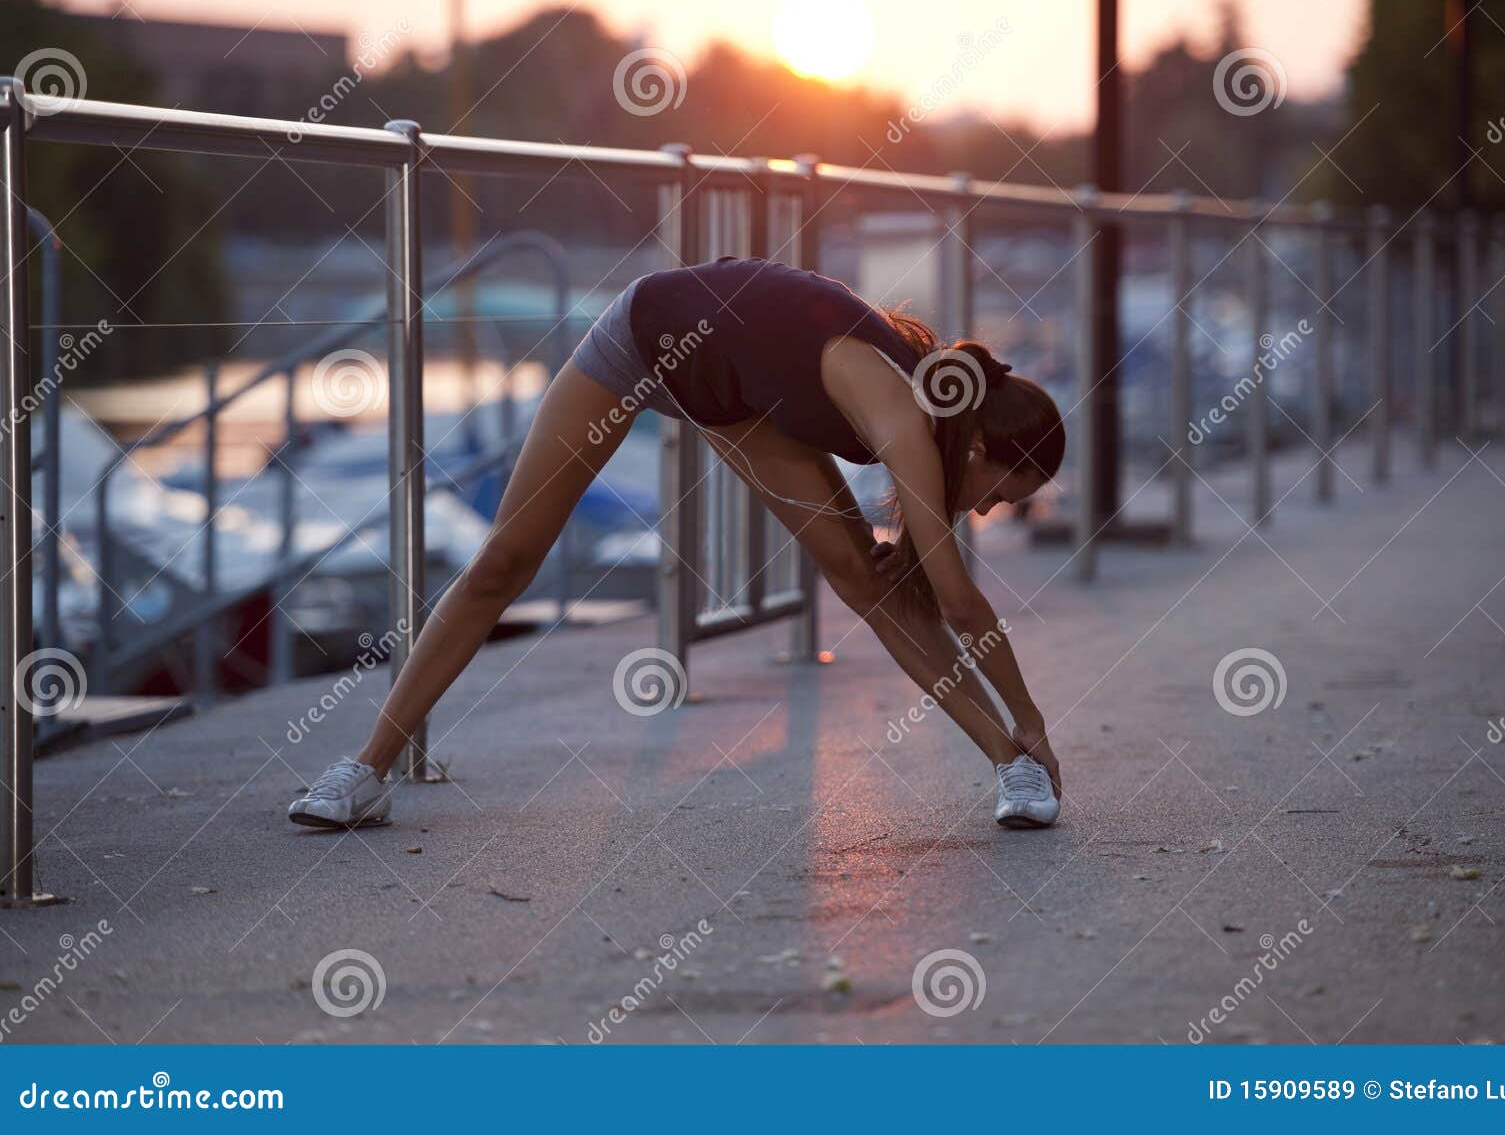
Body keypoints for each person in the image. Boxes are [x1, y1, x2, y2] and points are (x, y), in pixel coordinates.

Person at [288, 256, 1067, 831]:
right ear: (978, 451)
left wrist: (1021, 734)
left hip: (736, 401)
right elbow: (960, 603)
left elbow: (937, 593)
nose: (993, 510)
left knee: (863, 578)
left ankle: (1011, 768)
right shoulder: (906, 415)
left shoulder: (929, 419)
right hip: (640, 336)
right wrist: (1033, 713)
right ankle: (366, 770)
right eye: (1002, 492)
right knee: (504, 562)